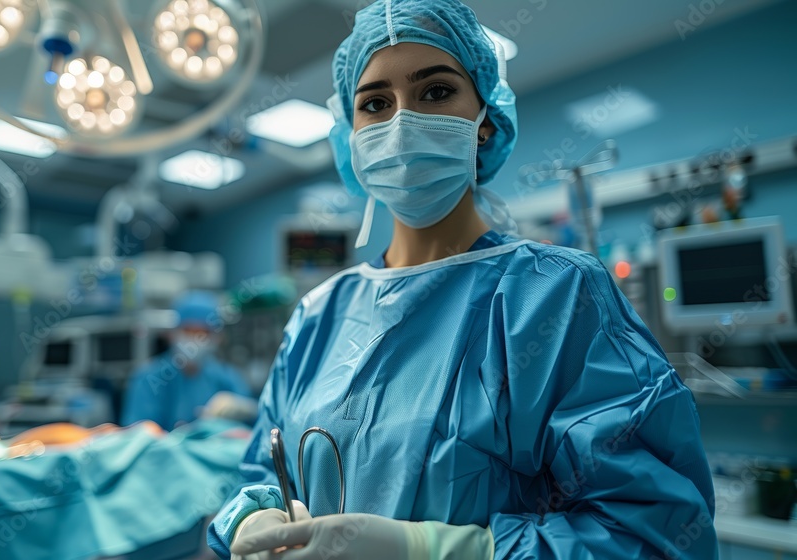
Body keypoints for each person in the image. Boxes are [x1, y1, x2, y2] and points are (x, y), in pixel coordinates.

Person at [208, 1, 718, 559]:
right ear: (350, 139)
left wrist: (435, 549)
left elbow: (657, 534)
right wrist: (251, 518)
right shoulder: (317, 315)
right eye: (375, 103)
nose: (402, 122)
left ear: (484, 121)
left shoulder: (554, 295)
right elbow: (263, 467)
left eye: (434, 92)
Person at [121, 291, 251, 431]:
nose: (194, 340)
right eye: (188, 331)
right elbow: (137, 435)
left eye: (203, 333)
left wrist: (248, 410)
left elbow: (251, 430)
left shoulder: (227, 379)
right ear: (171, 334)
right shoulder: (150, 379)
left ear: (217, 337)